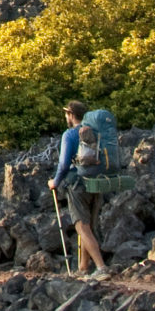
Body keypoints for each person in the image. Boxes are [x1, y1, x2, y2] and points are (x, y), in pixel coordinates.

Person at [50, 100, 109, 278]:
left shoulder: (70, 134)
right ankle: (83, 268)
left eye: (66, 113)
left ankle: (101, 268)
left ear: (71, 114)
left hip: (77, 184)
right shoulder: (97, 132)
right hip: (96, 182)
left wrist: (55, 182)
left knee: (82, 227)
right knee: (89, 226)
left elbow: (64, 163)